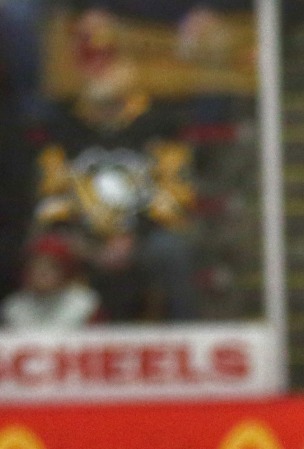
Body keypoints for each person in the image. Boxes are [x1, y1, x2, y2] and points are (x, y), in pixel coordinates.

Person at [30, 53, 197, 321]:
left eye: (109, 102)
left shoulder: (157, 125)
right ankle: (48, 339)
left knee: (171, 250)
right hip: (82, 237)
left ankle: (188, 336)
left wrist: (133, 237)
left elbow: (174, 193)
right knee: (46, 249)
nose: (102, 109)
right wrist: (79, 240)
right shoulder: (65, 129)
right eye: (96, 103)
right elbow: (52, 195)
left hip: (143, 236)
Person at [4, 233, 99, 329]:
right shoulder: (13, 308)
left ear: (66, 271)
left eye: (51, 267)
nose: (42, 273)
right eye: (36, 267)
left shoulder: (86, 305)